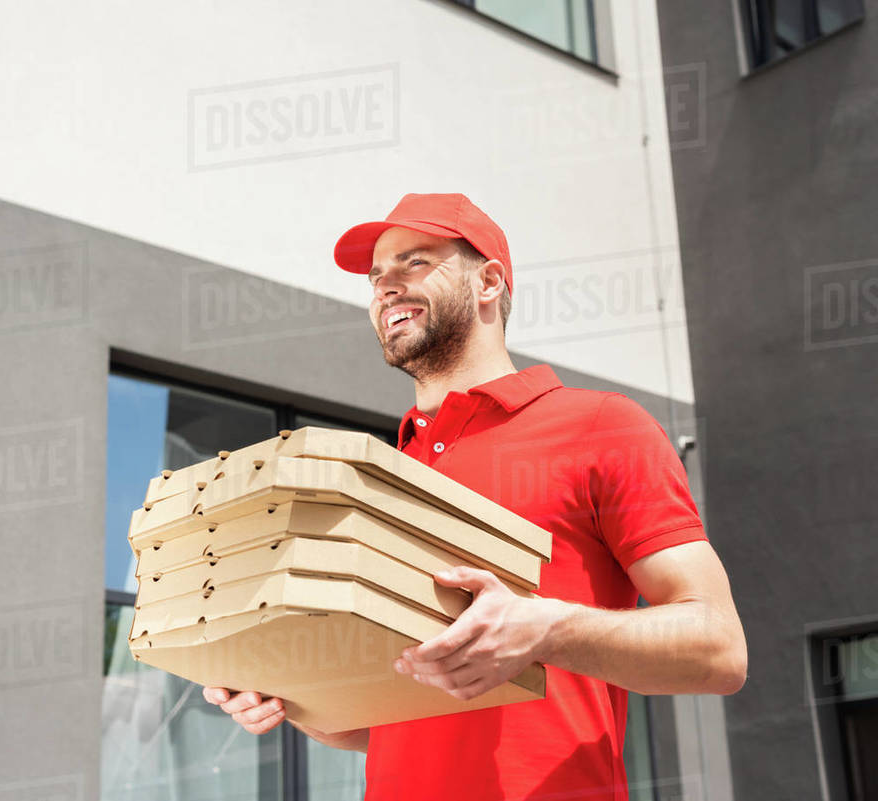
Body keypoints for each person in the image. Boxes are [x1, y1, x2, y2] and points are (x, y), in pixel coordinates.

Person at [202, 193, 747, 800]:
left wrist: (546, 628)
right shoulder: (387, 475)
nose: (386, 286)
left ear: (489, 281)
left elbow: (720, 649)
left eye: (413, 263)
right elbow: (384, 720)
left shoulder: (600, 426)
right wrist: (286, 695)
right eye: (377, 275)